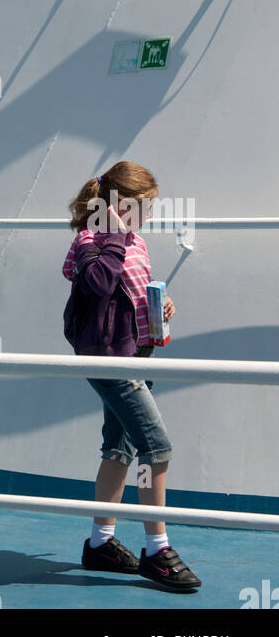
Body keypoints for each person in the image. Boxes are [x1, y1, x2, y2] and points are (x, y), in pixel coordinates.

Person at [63, 160, 201, 593]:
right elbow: (99, 284)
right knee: (156, 447)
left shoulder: (134, 240)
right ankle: (157, 549)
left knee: (118, 448)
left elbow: (132, 291)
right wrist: (116, 233)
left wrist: (161, 305)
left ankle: (100, 542)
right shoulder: (91, 240)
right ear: (120, 205)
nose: (149, 216)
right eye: (142, 207)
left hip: (136, 355)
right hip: (108, 359)